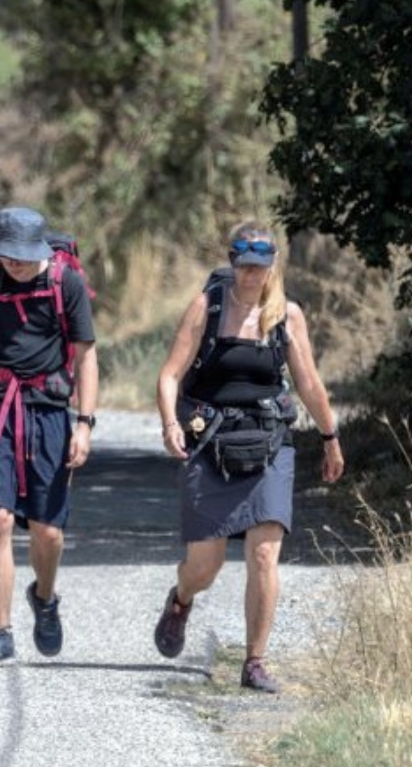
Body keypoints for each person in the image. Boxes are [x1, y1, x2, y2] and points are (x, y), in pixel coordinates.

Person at [152, 221, 344, 693]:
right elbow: (169, 377)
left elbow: (309, 384)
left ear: (272, 265)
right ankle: (180, 600)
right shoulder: (208, 307)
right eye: (244, 266)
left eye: (260, 267)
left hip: (268, 442)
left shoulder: (288, 317)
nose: (251, 276)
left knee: (263, 554)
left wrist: (330, 435)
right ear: (233, 262)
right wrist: (171, 424)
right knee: (206, 565)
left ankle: (255, 662)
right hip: (210, 439)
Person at [0, 206, 98, 667]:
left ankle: (45, 597)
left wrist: (84, 423)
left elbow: (86, 355)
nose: (12, 263)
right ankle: (0, 632)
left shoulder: (63, 283)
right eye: (5, 253)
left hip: (47, 409)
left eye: (21, 255)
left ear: (39, 250)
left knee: (48, 532)